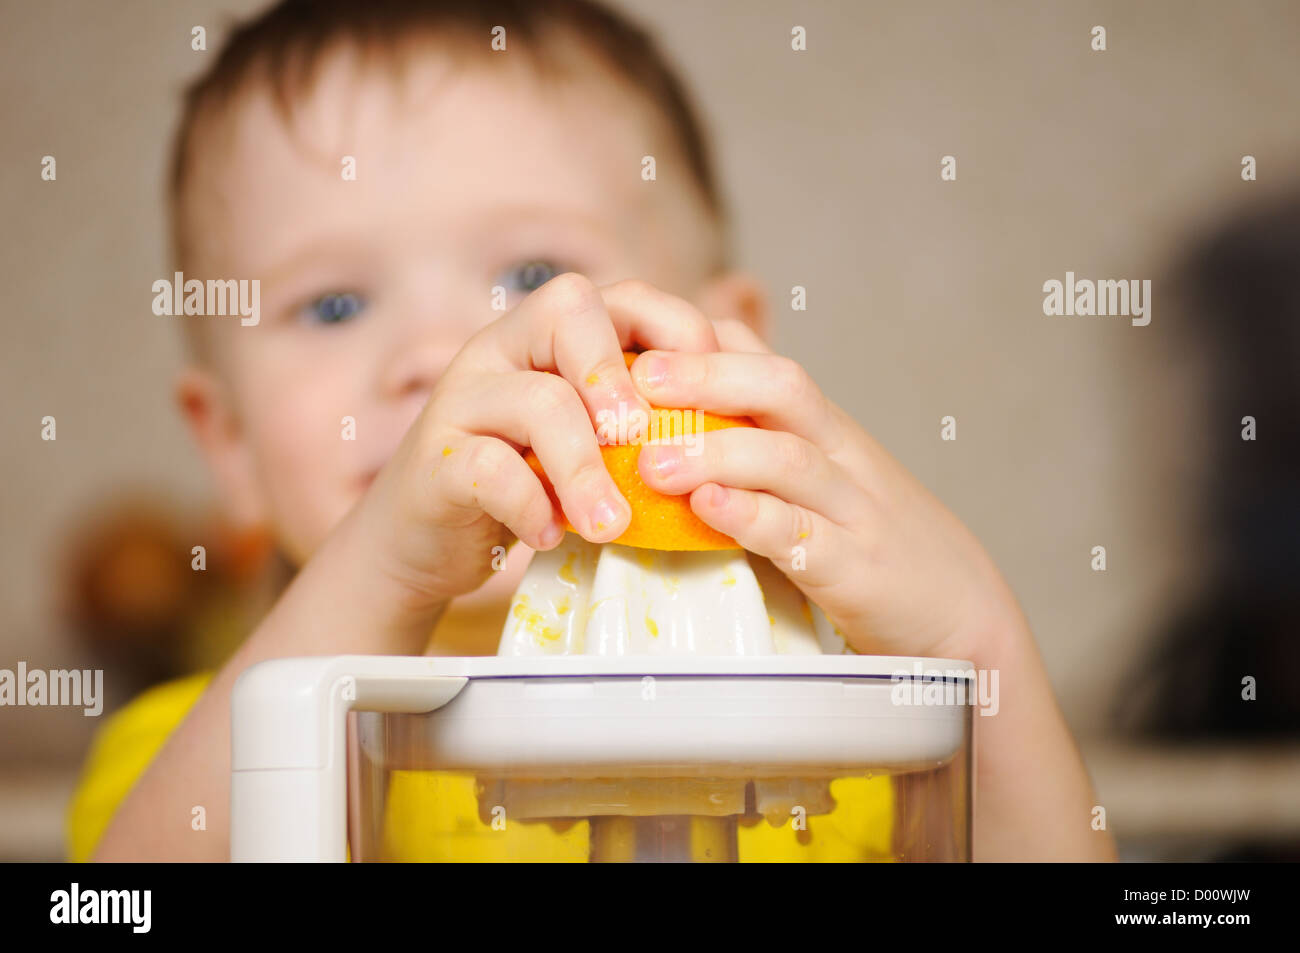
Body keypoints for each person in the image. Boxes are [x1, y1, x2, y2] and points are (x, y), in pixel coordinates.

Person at [69, 0, 1115, 862]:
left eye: (532, 276)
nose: (447, 354)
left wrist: (976, 649)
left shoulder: (848, 736)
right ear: (231, 446)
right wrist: (380, 570)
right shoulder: (185, 754)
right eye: (334, 305)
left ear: (724, 353)